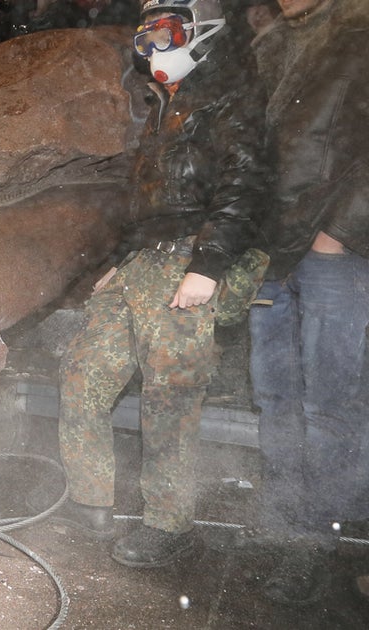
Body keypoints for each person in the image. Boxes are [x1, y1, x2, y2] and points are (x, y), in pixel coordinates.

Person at [56, 0, 269, 568]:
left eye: (168, 32)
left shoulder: (228, 103)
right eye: (146, 37)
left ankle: (168, 524)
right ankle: (90, 500)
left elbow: (244, 187)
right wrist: (119, 260)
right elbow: (145, 206)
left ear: (202, 32)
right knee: (83, 376)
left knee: (170, 401)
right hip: (144, 260)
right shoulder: (159, 111)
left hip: (190, 260)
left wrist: (208, 266)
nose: (155, 47)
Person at [245, 0, 369, 605]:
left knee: (330, 403)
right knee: (275, 394)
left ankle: (323, 541)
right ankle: (282, 520)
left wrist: (338, 233)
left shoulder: (361, 32)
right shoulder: (270, 44)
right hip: (271, 248)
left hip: (330, 254)